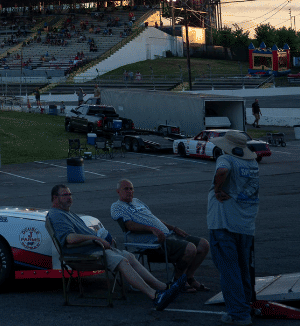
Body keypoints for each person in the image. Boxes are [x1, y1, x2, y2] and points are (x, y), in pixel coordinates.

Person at [47, 184, 184, 310]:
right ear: (55, 198)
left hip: (94, 249)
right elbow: (69, 239)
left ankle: (164, 288)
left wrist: (102, 237)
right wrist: (96, 238)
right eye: (65, 195)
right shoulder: (57, 215)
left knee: (129, 256)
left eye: (70, 195)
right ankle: (155, 296)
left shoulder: (67, 213)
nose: (70, 198)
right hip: (83, 255)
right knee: (122, 261)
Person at [111, 179, 210, 292]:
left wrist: (173, 228)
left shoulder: (137, 201)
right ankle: (177, 282)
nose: (129, 191)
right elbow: (129, 226)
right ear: (118, 191)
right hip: (153, 241)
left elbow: (154, 219)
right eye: (126, 189)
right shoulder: (117, 206)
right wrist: (152, 229)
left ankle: (189, 277)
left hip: (168, 234)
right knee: (190, 248)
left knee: (203, 245)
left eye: (131, 188)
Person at [207, 131, 260, 326]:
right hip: (245, 223)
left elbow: (222, 171)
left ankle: (239, 313)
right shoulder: (252, 163)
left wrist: (217, 189)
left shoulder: (225, 158)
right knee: (242, 268)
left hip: (224, 223)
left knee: (229, 270)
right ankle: (245, 306)